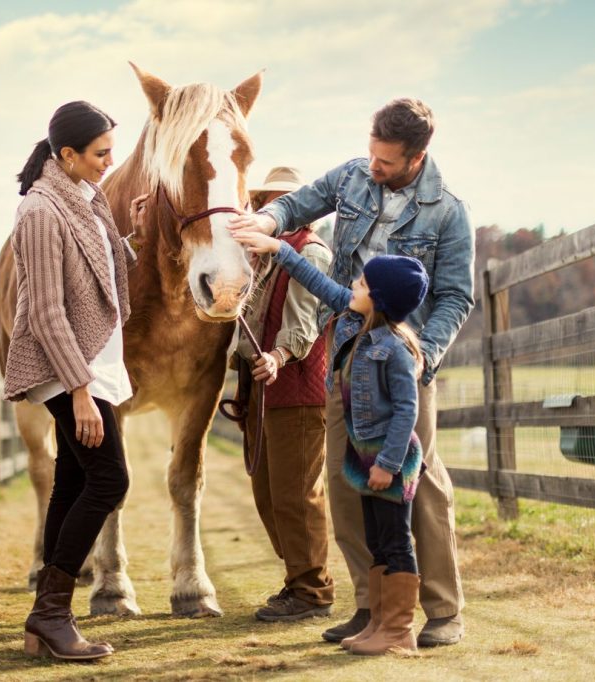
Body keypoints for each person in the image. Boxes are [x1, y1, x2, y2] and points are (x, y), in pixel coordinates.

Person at [228, 98, 473, 647]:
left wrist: (421, 356)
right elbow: (302, 202)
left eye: (385, 161)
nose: (373, 166)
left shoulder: (448, 212)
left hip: (404, 363)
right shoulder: (355, 176)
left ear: (417, 157)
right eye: (371, 153)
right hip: (346, 355)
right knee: (346, 481)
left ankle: (441, 610)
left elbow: (457, 297)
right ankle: (371, 607)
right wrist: (266, 219)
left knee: (418, 483)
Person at [233, 223, 430, 655]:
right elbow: (317, 281)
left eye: (361, 282)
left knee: (395, 542)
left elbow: (405, 412)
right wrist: (278, 250)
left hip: (389, 461)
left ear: (376, 298)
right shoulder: (354, 318)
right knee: (376, 540)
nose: (352, 285)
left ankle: (398, 631)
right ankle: (378, 622)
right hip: (366, 458)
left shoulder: (394, 349)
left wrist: (387, 464)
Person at [3, 100, 148, 661]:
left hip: (93, 365)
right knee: (110, 481)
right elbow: (43, 310)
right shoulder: (41, 211)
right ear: (66, 155)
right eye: (100, 153)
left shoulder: (83, 200)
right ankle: (51, 613)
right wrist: (81, 390)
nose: (110, 162)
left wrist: (127, 235)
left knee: (72, 482)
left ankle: (46, 620)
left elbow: (92, 276)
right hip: (68, 370)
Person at [230, 166, 336, 622]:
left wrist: (277, 355)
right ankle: (298, 578)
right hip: (266, 391)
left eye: (279, 201)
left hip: (296, 386)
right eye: (266, 201)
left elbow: (303, 322)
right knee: (270, 492)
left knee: (296, 493)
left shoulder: (309, 252)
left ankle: (312, 590)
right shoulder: (264, 258)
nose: (269, 211)